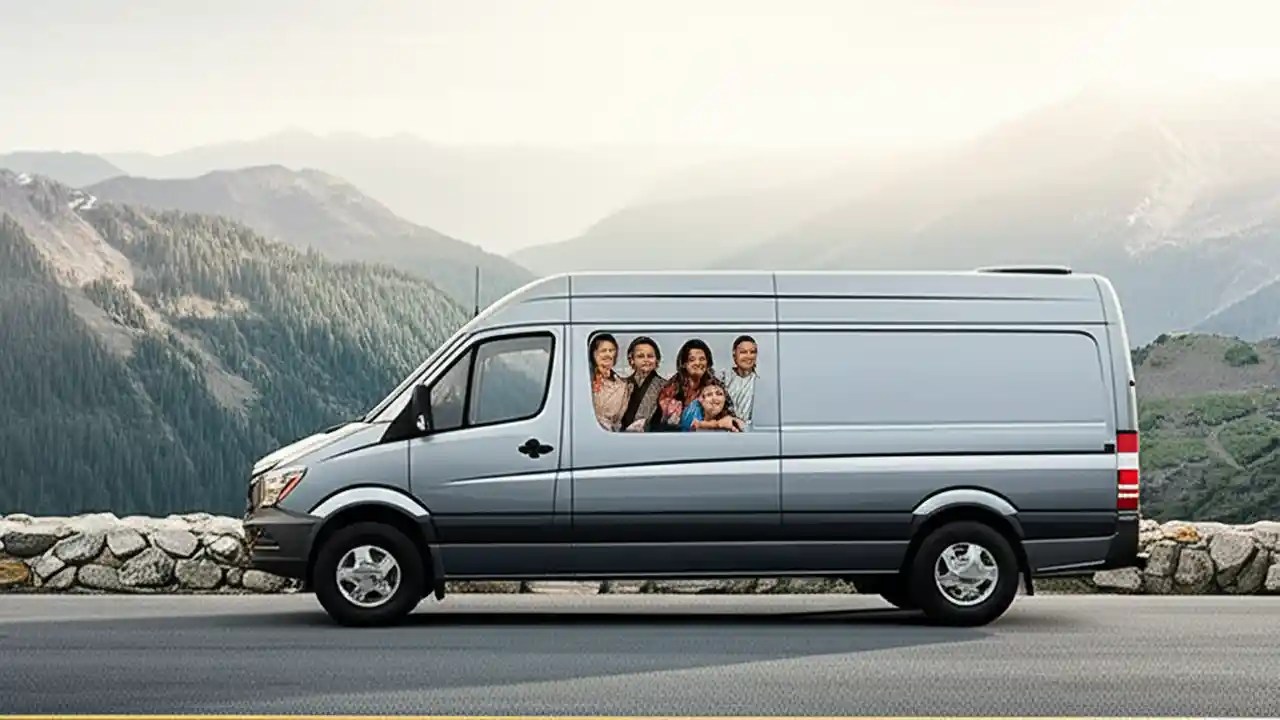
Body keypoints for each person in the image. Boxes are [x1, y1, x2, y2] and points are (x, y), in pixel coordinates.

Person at [656, 339, 715, 431]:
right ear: (684, 364)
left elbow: (727, 414)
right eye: (692, 359)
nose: (698, 363)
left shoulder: (716, 386)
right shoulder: (671, 388)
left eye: (702, 359)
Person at [618, 336, 665, 432]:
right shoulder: (621, 384)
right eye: (640, 356)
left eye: (650, 356)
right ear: (631, 360)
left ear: (657, 360)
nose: (646, 360)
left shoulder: (665, 386)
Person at [589, 333, 631, 431]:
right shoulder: (584, 379)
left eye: (611, 350)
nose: (608, 354)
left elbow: (618, 420)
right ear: (594, 354)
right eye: (603, 351)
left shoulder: (622, 386)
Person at [718, 335, 758, 427]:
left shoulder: (759, 381)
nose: (748, 356)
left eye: (752, 352)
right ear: (734, 354)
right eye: (743, 352)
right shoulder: (723, 379)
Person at [680, 379, 745, 432]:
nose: (714, 398)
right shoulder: (693, 411)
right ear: (700, 399)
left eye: (719, 394)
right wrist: (717, 424)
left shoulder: (729, 419)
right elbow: (694, 425)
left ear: (724, 399)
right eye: (709, 394)